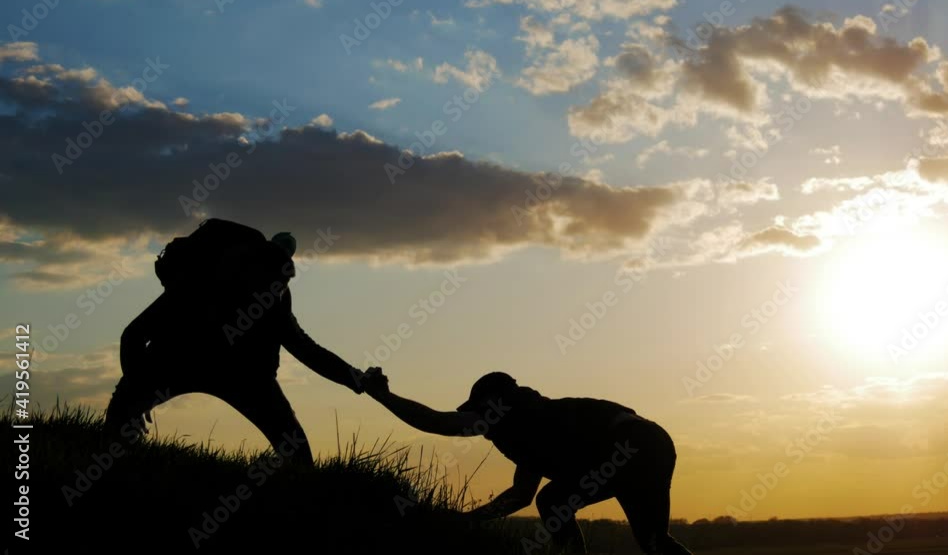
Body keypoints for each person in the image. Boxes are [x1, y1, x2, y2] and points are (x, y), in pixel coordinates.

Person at [104, 231, 367, 466]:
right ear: (250, 270)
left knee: (298, 456)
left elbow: (308, 351)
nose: (274, 290)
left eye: (282, 283)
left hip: (245, 377)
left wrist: (357, 379)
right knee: (115, 432)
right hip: (181, 360)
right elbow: (133, 335)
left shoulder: (275, 299)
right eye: (269, 280)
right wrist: (137, 392)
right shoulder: (203, 284)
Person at [362, 369, 693, 554]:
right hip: (653, 443)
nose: (479, 425)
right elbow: (518, 496)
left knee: (552, 499)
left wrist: (383, 396)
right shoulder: (533, 427)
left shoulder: (513, 414)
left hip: (630, 444)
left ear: (492, 404)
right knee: (654, 542)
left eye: (479, 412)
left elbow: (436, 422)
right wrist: (470, 519)